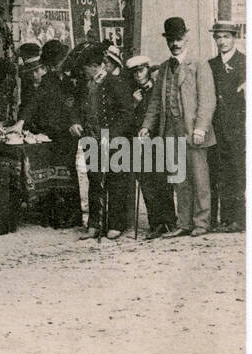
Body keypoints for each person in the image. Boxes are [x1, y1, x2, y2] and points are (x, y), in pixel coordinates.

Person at [140, 17, 216, 238]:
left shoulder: (199, 64)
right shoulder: (163, 68)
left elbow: (207, 99)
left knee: (200, 179)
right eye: (171, 40)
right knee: (180, 180)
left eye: (179, 39)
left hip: (194, 132)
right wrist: (146, 126)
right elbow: (155, 102)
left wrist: (201, 128)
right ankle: (184, 223)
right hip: (170, 133)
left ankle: (201, 223)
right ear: (167, 41)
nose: (176, 43)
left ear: (186, 38)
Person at [71, 41, 134, 240]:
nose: (83, 73)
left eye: (85, 69)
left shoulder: (115, 83)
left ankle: (115, 224)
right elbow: (75, 108)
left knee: (115, 181)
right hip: (91, 138)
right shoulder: (85, 86)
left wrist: (112, 136)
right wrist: (74, 122)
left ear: (94, 66)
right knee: (95, 180)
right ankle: (95, 224)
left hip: (114, 140)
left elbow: (126, 114)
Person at [20, 39, 82, 228]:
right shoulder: (51, 79)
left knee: (67, 172)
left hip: (67, 133)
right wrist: (22, 121)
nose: (56, 66)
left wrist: (74, 121)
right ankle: (56, 215)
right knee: (54, 174)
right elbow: (35, 101)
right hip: (54, 132)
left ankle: (72, 215)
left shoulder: (71, 78)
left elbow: (75, 103)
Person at [126, 54, 175, 239]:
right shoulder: (132, 94)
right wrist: (133, 104)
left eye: (141, 70)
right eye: (134, 73)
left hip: (158, 142)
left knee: (162, 182)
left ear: (148, 69)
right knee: (147, 184)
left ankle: (169, 221)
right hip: (139, 144)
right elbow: (127, 121)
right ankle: (155, 223)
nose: (138, 75)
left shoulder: (158, 91)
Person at [208, 19, 245, 232]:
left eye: (226, 37)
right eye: (218, 37)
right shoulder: (211, 65)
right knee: (217, 172)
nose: (222, 41)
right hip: (216, 129)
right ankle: (220, 217)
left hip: (237, 129)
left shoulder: (244, 63)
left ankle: (237, 218)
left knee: (237, 173)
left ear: (234, 38)